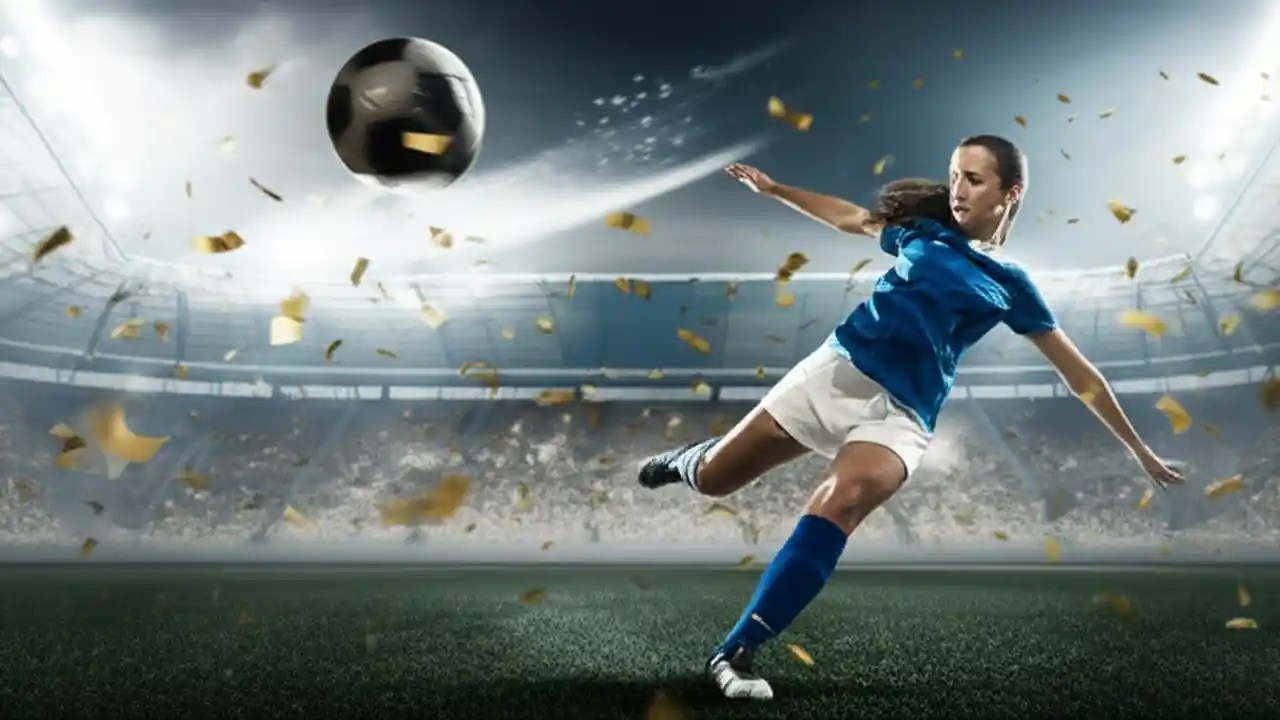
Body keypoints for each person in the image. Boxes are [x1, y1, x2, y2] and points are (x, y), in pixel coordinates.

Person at [636, 134, 1186, 701]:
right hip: (836, 372)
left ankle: (737, 649)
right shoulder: (923, 233)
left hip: (902, 412)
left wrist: (1138, 449)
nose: (958, 190)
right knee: (715, 480)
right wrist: (776, 190)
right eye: (955, 176)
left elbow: (1082, 376)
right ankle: (689, 461)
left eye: (974, 179)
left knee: (841, 500)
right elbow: (851, 218)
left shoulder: (1012, 283)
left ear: (1010, 192)